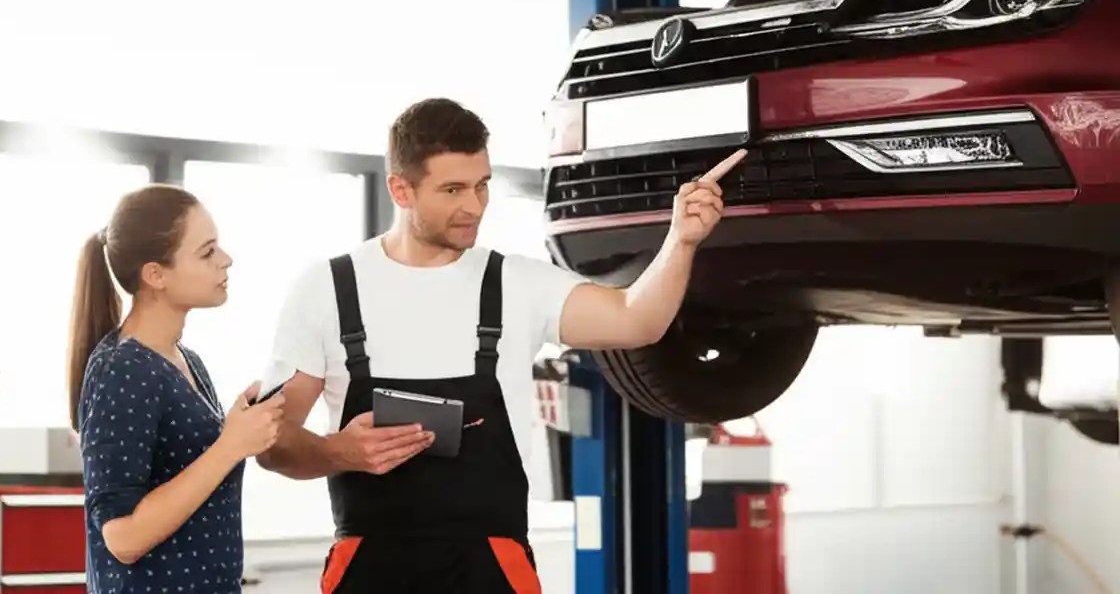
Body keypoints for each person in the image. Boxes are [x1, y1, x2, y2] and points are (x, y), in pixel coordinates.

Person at [255, 99, 745, 593]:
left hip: (492, 569)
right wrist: (337, 451)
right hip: (367, 570)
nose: (474, 206)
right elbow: (273, 444)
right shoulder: (328, 289)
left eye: (482, 185)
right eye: (452, 190)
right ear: (399, 189)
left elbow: (637, 320)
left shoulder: (516, 283)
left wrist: (681, 241)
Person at [68, 183, 285, 593]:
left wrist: (238, 429)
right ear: (155, 275)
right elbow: (123, 538)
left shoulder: (186, 361)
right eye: (207, 252)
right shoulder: (123, 368)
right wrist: (230, 445)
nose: (226, 260)